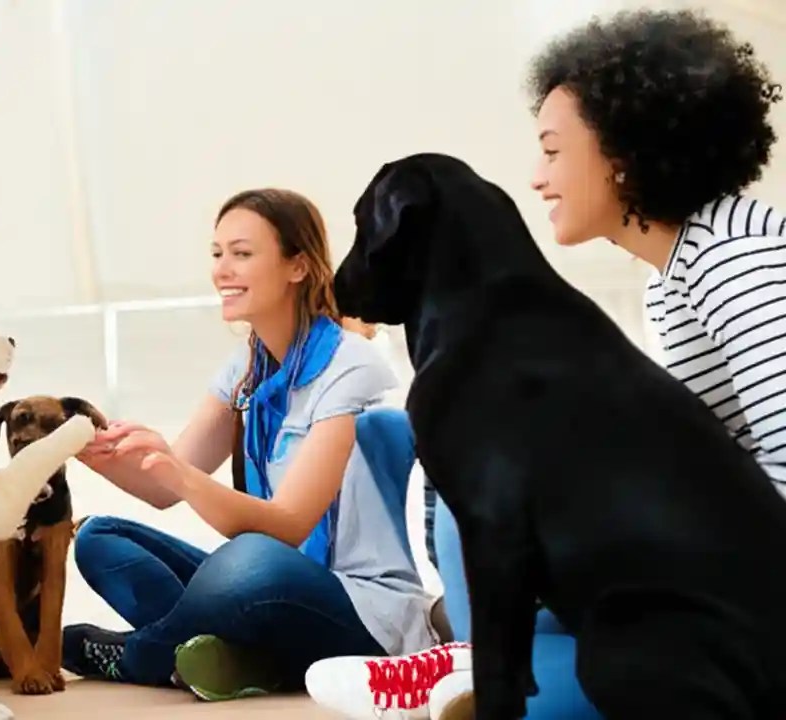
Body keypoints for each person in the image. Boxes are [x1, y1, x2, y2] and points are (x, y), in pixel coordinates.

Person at [305, 8, 785, 719]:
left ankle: (460, 675)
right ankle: (472, 666)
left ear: (625, 149)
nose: (537, 178)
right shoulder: (680, 275)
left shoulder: (743, 268)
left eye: (554, 151)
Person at [59, 188, 440, 702]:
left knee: (248, 562)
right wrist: (94, 453)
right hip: (273, 587)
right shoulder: (246, 369)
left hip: (361, 608)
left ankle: (143, 656)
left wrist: (180, 474)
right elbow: (163, 489)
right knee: (100, 538)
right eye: (217, 254)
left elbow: (287, 524)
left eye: (242, 254)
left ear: (297, 267)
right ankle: (242, 658)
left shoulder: (352, 366)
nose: (222, 270)